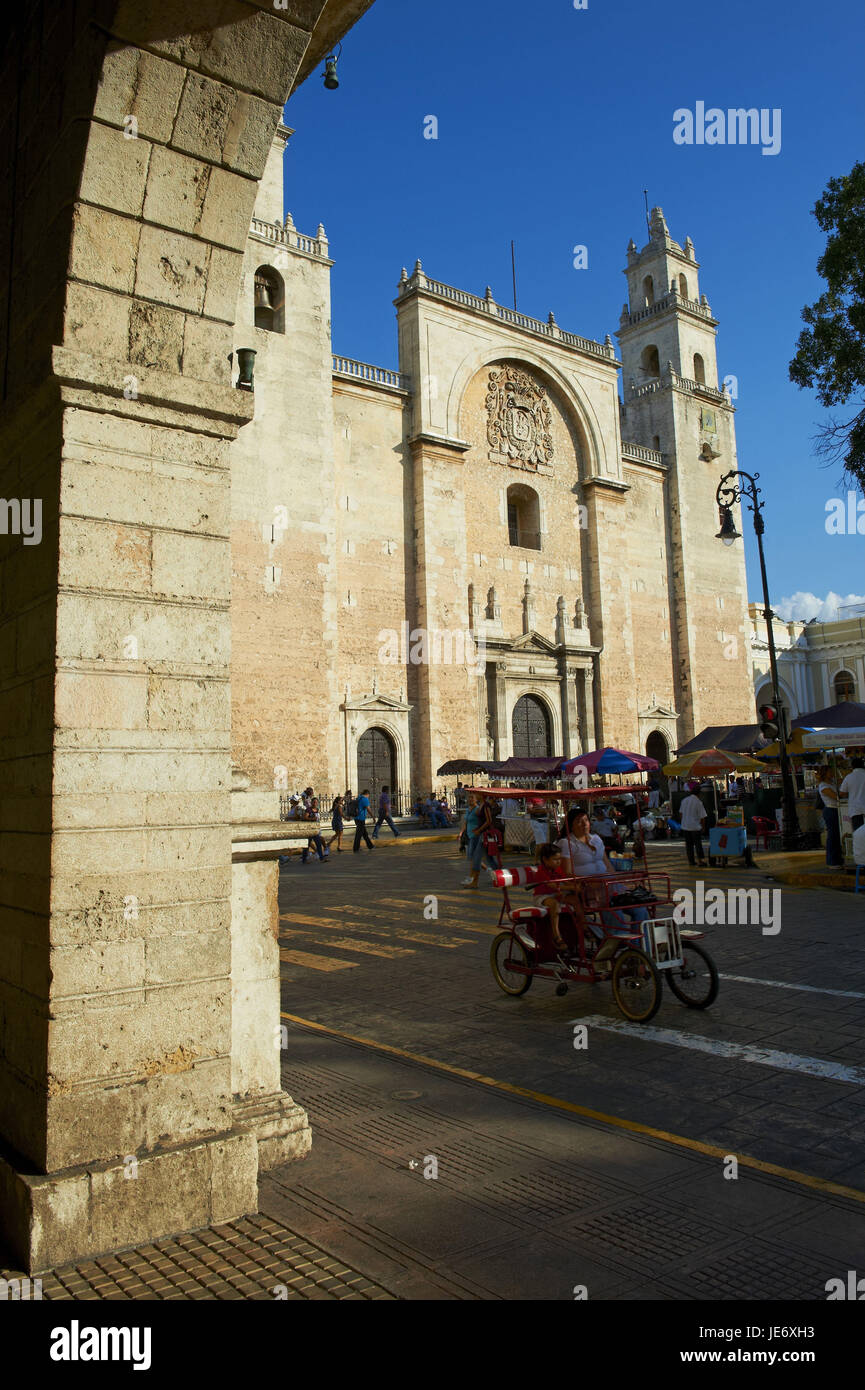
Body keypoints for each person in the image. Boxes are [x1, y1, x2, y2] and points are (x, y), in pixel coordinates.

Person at [531, 843, 583, 953]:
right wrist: (571, 887)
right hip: (542, 897)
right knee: (554, 904)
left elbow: (564, 881)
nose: (559, 861)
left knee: (575, 900)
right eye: (555, 859)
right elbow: (553, 885)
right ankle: (556, 936)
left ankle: (584, 928)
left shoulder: (558, 869)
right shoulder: (541, 871)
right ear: (545, 860)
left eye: (559, 859)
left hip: (556, 894)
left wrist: (575, 885)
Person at [461, 790, 495, 888]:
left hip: (483, 835)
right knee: (489, 859)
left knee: (477, 859)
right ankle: (497, 876)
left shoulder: (485, 806)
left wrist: (478, 830)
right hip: (480, 834)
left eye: (477, 794)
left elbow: (489, 821)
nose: (475, 796)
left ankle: (475, 881)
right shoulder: (481, 806)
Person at [816, 765, 843, 867]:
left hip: (836, 810)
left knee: (837, 835)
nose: (831, 773)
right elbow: (836, 796)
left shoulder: (832, 782)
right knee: (833, 836)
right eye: (830, 771)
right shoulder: (823, 786)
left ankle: (838, 859)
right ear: (825, 773)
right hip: (830, 810)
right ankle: (832, 861)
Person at [679, 786, 707, 866]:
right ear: (699, 793)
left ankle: (691, 861)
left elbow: (681, 813)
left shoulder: (684, 801)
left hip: (685, 826)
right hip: (695, 827)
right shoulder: (698, 802)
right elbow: (703, 817)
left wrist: (684, 821)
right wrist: (703, 827)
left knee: (689, 845)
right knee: (698, 844)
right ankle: (701, 861)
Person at [840, 757, 865, 833]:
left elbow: (842, 793)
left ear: (852, 766)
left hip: (855, 810)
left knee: (858, 833)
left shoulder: (848, 777)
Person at [352, 787, 374, 853]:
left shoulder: (359, 797)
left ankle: (370, 846)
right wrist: (373, 817)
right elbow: (368, 809)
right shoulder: (365, 799)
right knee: (359, 834)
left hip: (356, 818)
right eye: (368, 795)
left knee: (364, 833)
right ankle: (356, 848)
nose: (368, 797)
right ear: (367, 794)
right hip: (361, 818)